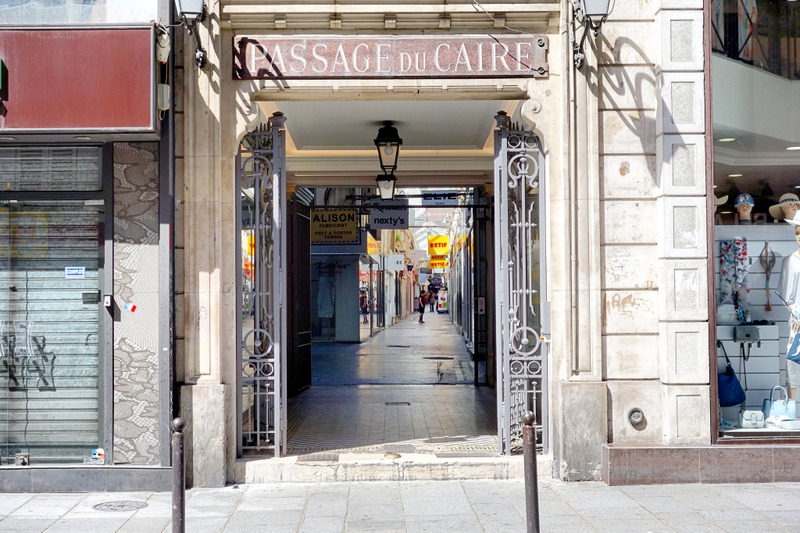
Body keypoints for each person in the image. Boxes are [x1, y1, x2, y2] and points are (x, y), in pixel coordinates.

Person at [779, 211, 800, 398]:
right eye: (798, 232)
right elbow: (786, 295)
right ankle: (794, 408)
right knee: (793, 363)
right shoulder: (789, 261)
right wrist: (796, 314)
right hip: (797, 322)